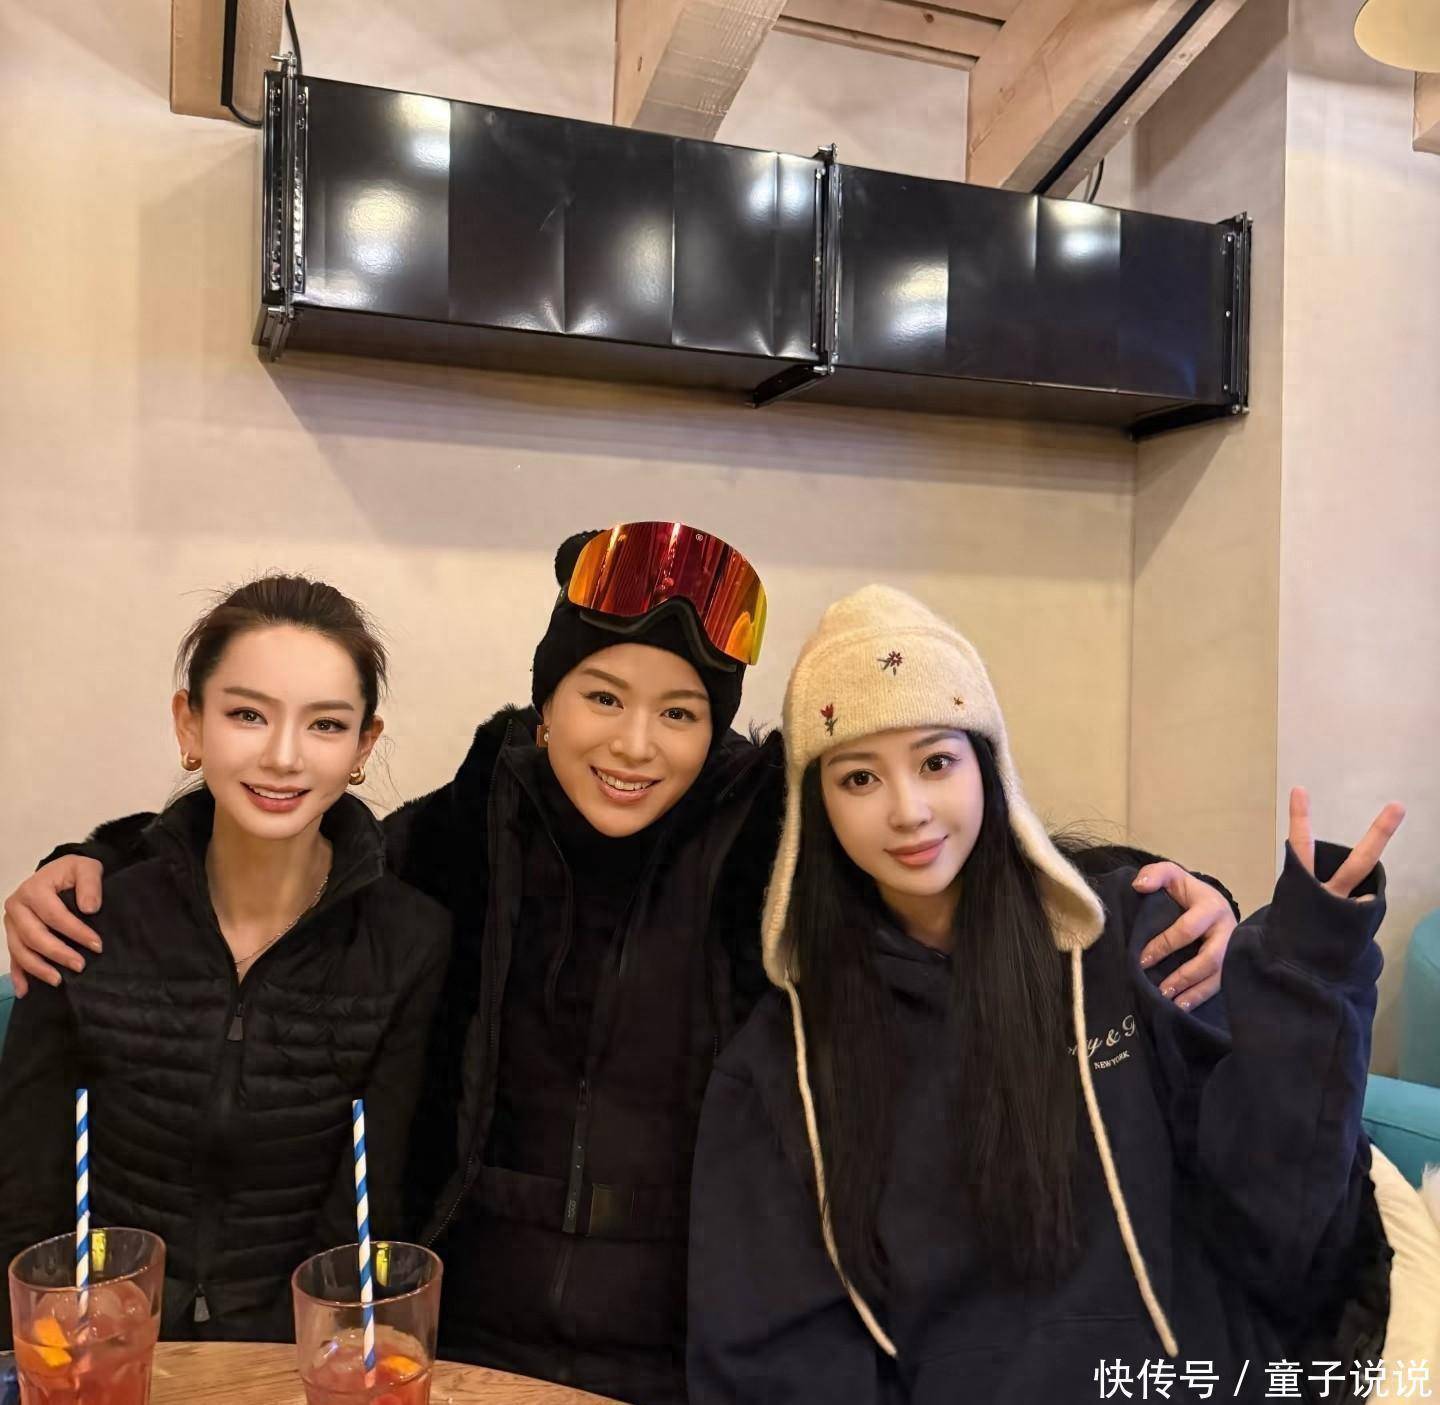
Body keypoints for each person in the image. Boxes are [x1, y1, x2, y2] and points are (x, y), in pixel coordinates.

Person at [1, 529, 1238, 1404]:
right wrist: (95, 859)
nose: (636, 744)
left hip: (684, 1332)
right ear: (547, 703)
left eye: (680, 712)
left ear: (719, 729)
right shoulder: (463, 831)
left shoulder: (766, 835)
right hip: (468, 1327)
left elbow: (938, 839)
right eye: (602, 696)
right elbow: (294, 824)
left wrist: (1164, 887)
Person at [688, 584, 1400, 1405]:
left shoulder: (1135, 938)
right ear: (817, 807)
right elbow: (776, 1364)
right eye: (859, 778)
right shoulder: (782, 1064)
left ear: (986, 764)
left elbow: (1278, 1224)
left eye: (936, 761)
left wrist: (1311, 968)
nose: (908, 810)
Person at [0, 575, 452, 1346]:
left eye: (325, 724)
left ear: (362, 746)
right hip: (94, 1341)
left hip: (292, 1355)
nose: (282, 755)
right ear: (191, 722)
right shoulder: (80, 918)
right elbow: (23, 1193)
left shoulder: (408, 942)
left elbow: (368, 1214)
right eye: (247, 714)